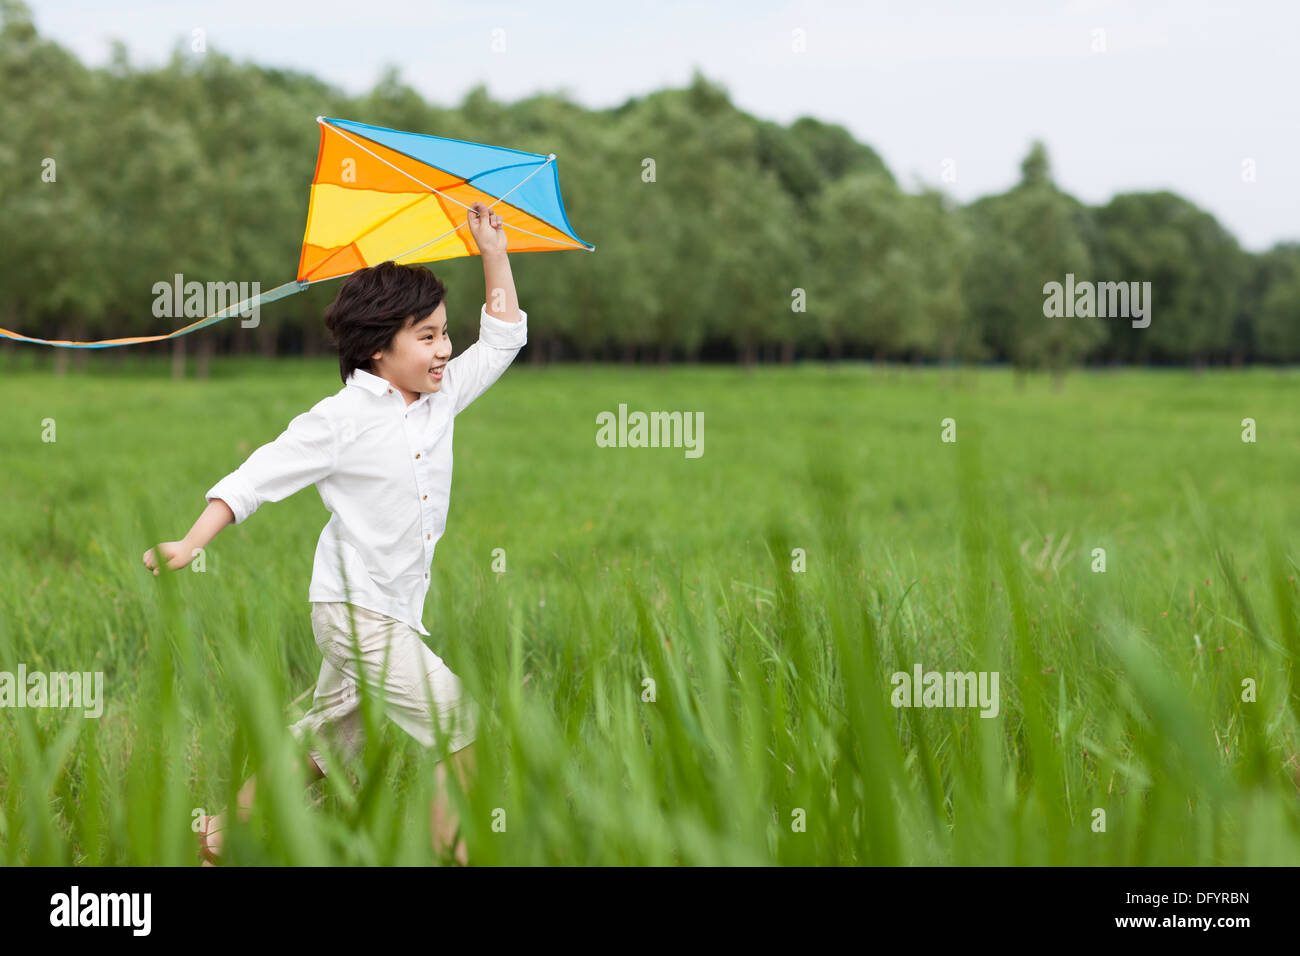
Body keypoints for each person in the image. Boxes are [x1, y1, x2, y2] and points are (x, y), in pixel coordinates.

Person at [143, 200, 525, 866]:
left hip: (393, 612)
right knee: (458, 723)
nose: (444, 349)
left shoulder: (441, 398)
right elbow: (256, 476)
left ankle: (218, 836)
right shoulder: (340, 419)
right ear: (379, 350)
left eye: (443, 334)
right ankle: (453, 853)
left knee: (331, 741)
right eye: (428, 337)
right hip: (354, 614)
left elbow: (502, 337)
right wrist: (191, 541)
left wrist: (493, 250)